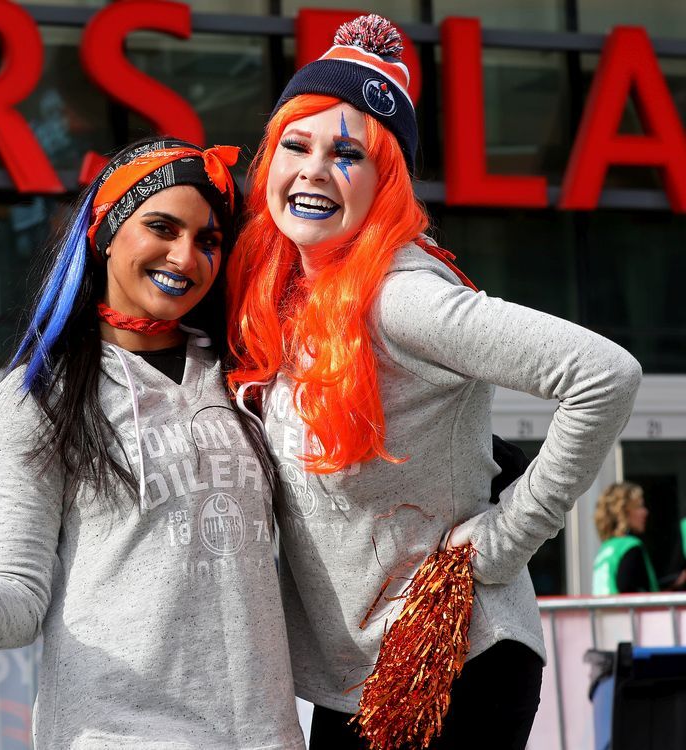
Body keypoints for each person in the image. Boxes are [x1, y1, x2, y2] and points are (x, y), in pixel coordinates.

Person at [226, 15, 642, 750]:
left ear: (385, 181)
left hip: (454, 660)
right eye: (297, 143)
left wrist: (503, 541)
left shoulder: (402, 296)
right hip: (357, 676)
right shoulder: (283, 291)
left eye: (348, 154)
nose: (315, 169)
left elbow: (605, 375)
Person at [0, 137, 305, 749]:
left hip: (267, 738)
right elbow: (17, 601)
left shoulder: (249, 377)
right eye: (161, 227)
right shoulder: (39, 398)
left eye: (208, 239)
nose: (185, 255)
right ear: (106, 232)